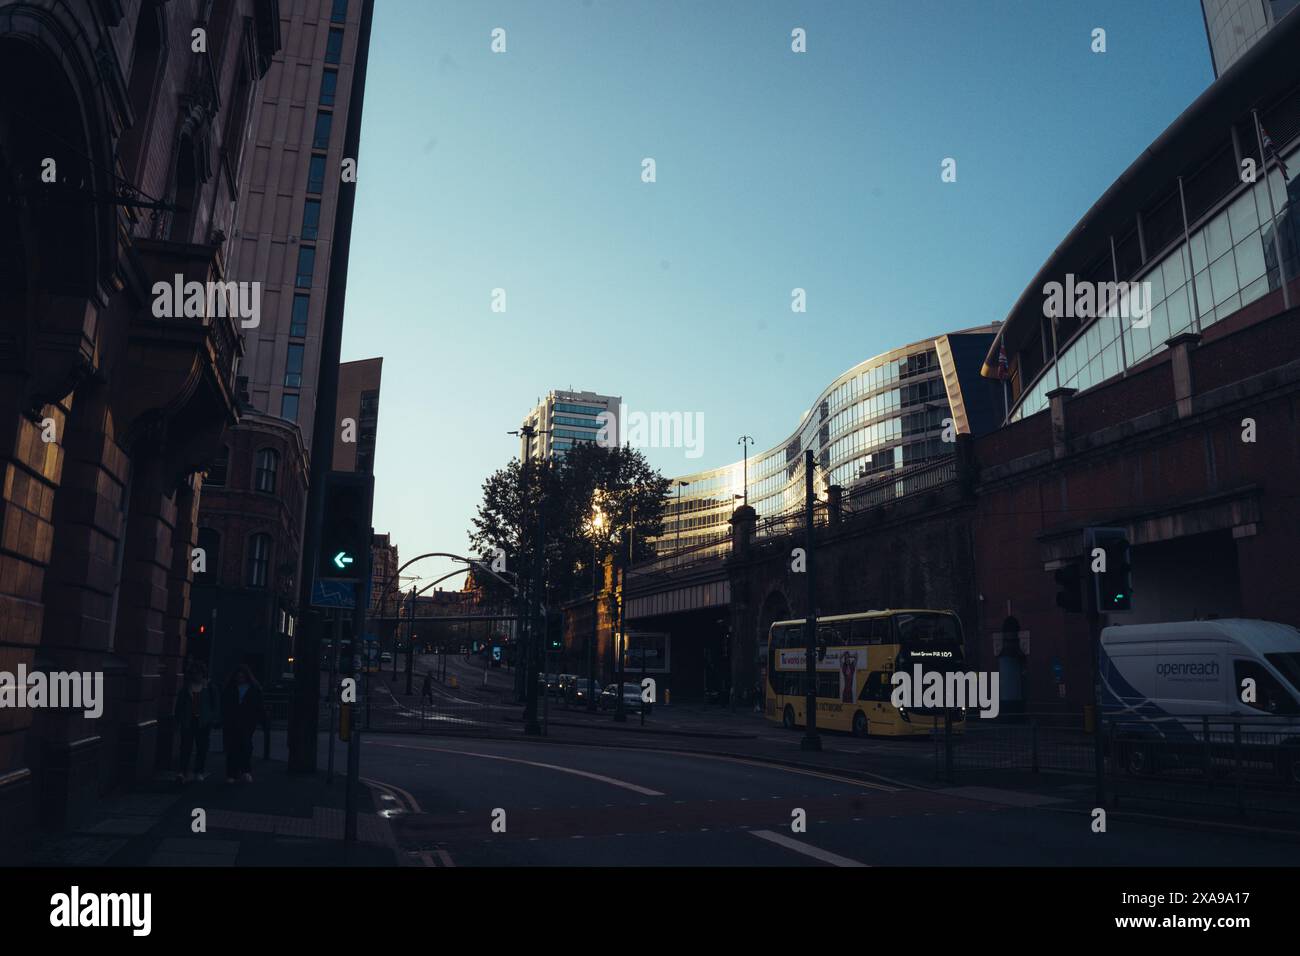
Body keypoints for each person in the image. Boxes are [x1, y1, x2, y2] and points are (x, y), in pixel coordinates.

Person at [174, 660, 219, 782]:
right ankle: (183, 772)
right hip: (189, 721)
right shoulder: (186, 688)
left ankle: (199, 771)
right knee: (185, 748)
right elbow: (180, 705)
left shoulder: (209, 687)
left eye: (198, 673)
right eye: (193, 673)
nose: (196, 676)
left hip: (203, 722)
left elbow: (215, 705)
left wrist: (211, 718)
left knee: (202, 748)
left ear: (203, 674)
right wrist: (179, 719)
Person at [221, 664, 265, 783]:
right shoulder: (253, 689)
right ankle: (241, 771)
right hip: (240, 721)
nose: (240, 678)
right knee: (239, 746)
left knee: (241, 746)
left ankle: (236, 772)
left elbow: (259, 706)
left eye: (241, 676)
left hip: (244, 721)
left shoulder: (231, 688)